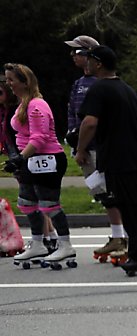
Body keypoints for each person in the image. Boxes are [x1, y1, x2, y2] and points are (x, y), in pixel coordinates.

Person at [75, 46, 137, 276]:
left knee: (128, 207)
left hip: (118, 159)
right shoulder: (126, 89)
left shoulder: (99, 89)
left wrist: (80, 149)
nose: (86, 63)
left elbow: (90, 123)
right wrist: (135, 144)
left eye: (90, 59)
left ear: (98, 64)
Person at [5, 63, 77, 269]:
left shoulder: (37, 105)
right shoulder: (23, 104)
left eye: (11, 79)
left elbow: (39, 137)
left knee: (49, 205)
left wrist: (19, 158)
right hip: (30, 160)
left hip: (47, 159)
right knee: (26, 203)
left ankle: (65, 245)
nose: (8, 84)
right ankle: (37, 243)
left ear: (25, 82)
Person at [64, 35, 128, 264]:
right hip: (83, 146)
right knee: (101, 194)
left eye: (77, 52)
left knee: (113, 193)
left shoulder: (103, 83)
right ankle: (117, 235)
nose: (72, 56)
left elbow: (97, 120)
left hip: (100, 148)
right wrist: (73, 139)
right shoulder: (79, 83)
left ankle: (126, 237)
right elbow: (73, 112)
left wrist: (83, 145)